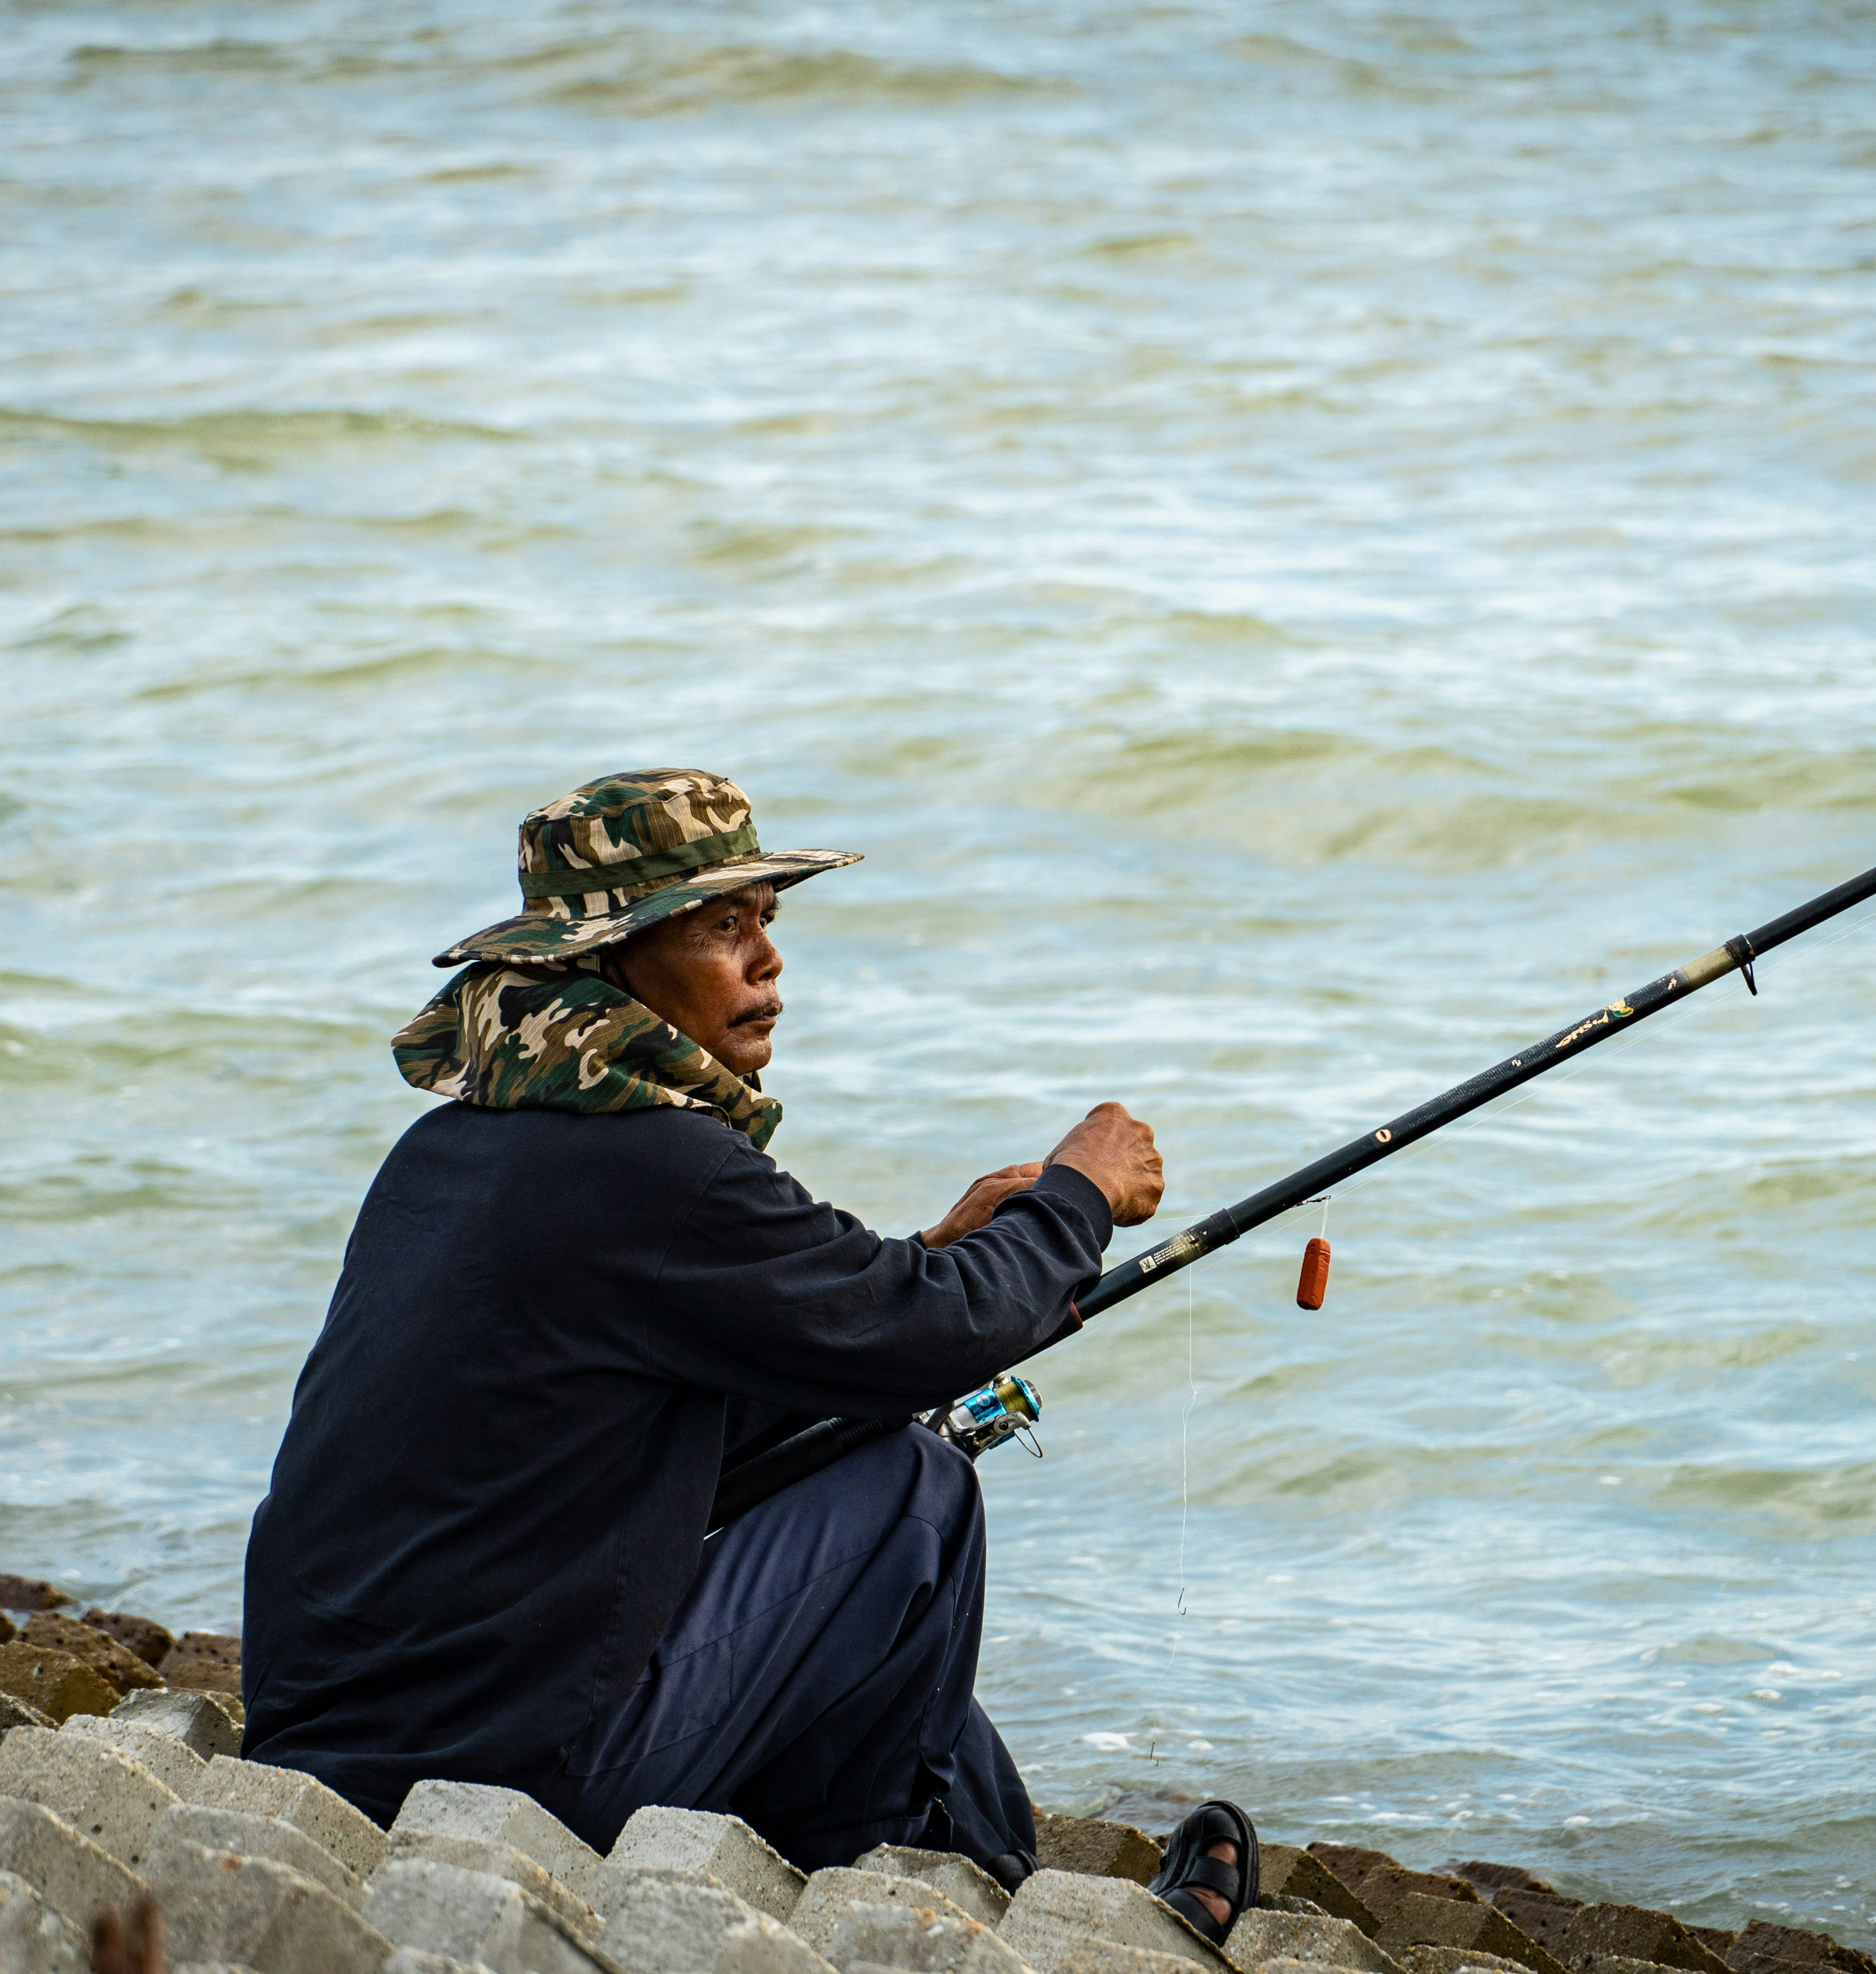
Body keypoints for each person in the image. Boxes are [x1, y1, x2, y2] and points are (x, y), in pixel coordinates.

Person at [239, 768, 1256, 1933]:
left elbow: (698, 1392)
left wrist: (932, 1252)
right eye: (725, 925)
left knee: (861, 1449)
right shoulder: (654, 1167)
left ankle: (986, 1875)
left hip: (337, 1736)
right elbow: (929, 1333)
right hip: (493, 1766)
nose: (769, 960)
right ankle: (921, 1890)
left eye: (768, 922)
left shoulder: (451, 1149)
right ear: (606, 961)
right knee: (912, 1491)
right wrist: (1074, 1193)